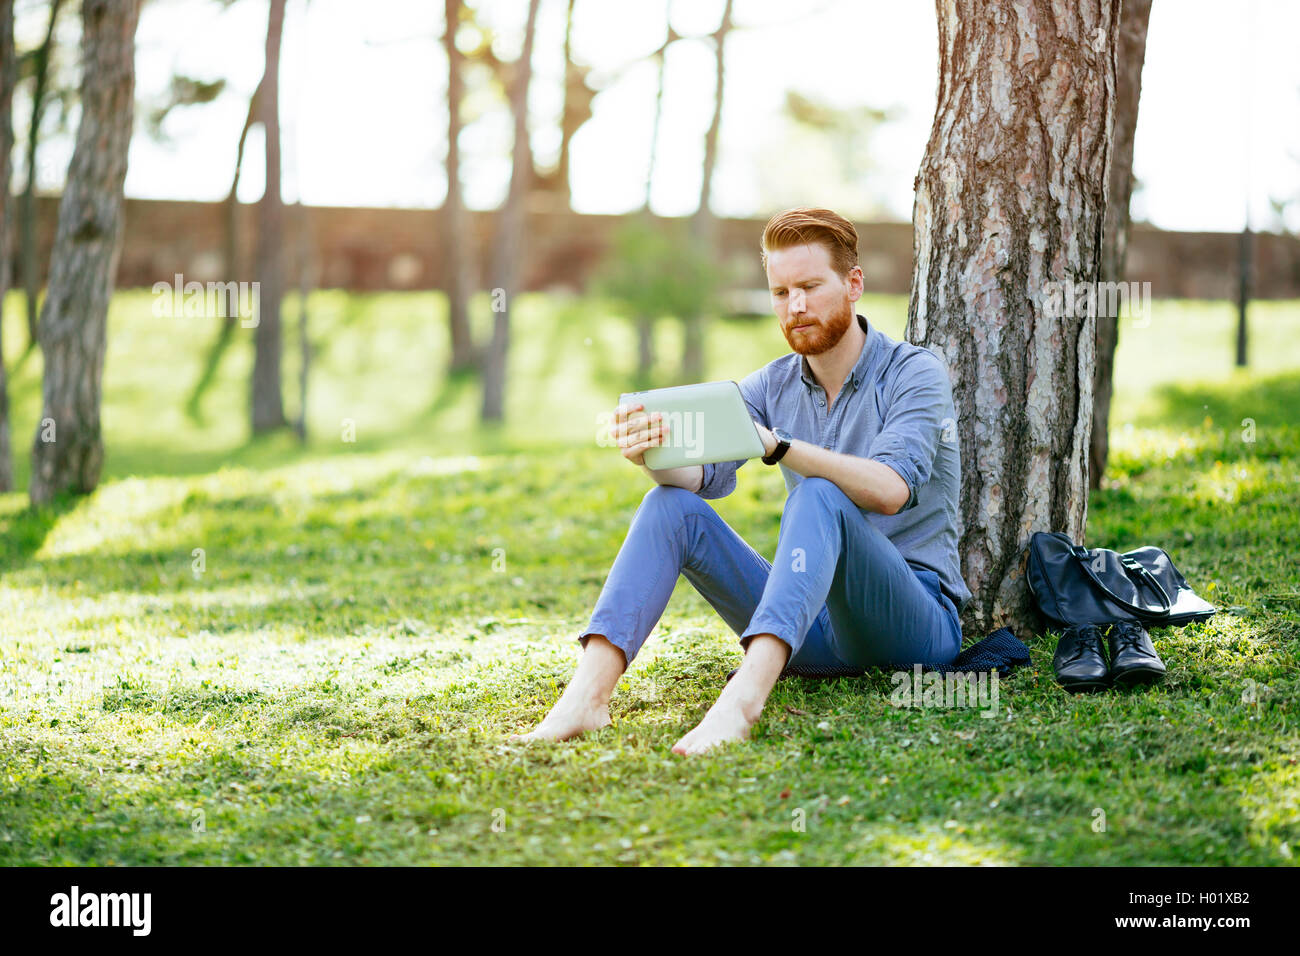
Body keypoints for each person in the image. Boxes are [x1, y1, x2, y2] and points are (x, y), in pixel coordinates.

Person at [510, 207, 970, 755]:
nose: (794, 306)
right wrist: (651, 455)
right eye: (780, 292)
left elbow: (892, 490)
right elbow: (701, 476)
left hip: (911, 627)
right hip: (813, 631)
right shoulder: (770, 385)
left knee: (819, 491)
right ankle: (586, 698)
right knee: (667, 504)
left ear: (853, 285)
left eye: (809, 286)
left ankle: (743, 702)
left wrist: (782, 447)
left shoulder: (914, 372)